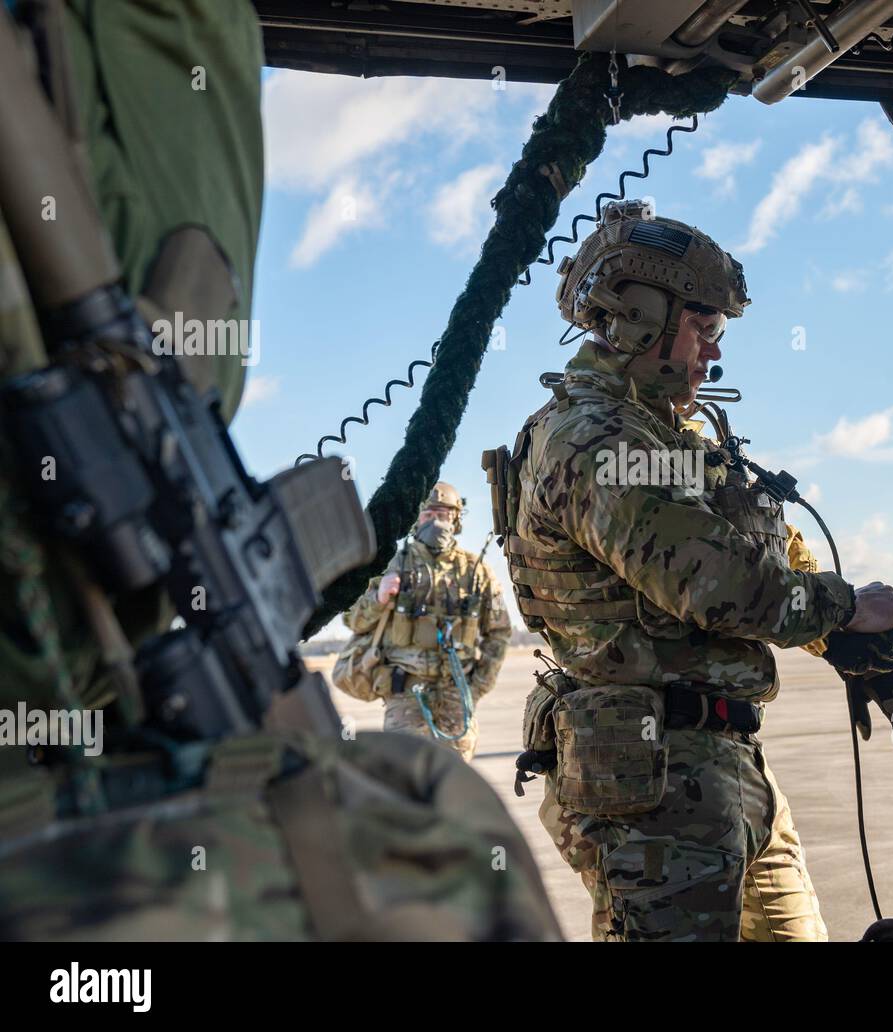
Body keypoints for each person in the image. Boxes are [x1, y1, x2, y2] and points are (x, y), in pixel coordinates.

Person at [0, 1, 558, 942]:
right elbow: (365, 624)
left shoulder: (460, 573)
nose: (441, 523)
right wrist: (382, 680)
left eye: (445, 515)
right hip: (331, 701)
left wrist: (443, 686)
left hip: (394, 710)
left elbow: (486, 633)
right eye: (440, 514)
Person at [495, 199, 893, 941]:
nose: (714, 353)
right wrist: (847, 608)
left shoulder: (672, 435)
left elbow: (764, 552)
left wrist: (845, 648)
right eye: (706, 328)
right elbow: (717, 584)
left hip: (725, 767)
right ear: (637, 318)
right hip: (655, 796)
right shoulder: (596, 440)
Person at [341, 482, 511, 761]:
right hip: (405, 692)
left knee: (455, 781)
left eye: (443, 514)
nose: (436, 521)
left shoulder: (476, 571)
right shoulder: (391, 566)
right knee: (405, 777)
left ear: (456, 519)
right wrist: (379, 598)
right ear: (416, 519)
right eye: (428, 514)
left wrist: (477, 686)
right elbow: (352, 620)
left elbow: (500, 632)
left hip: (457, 693)